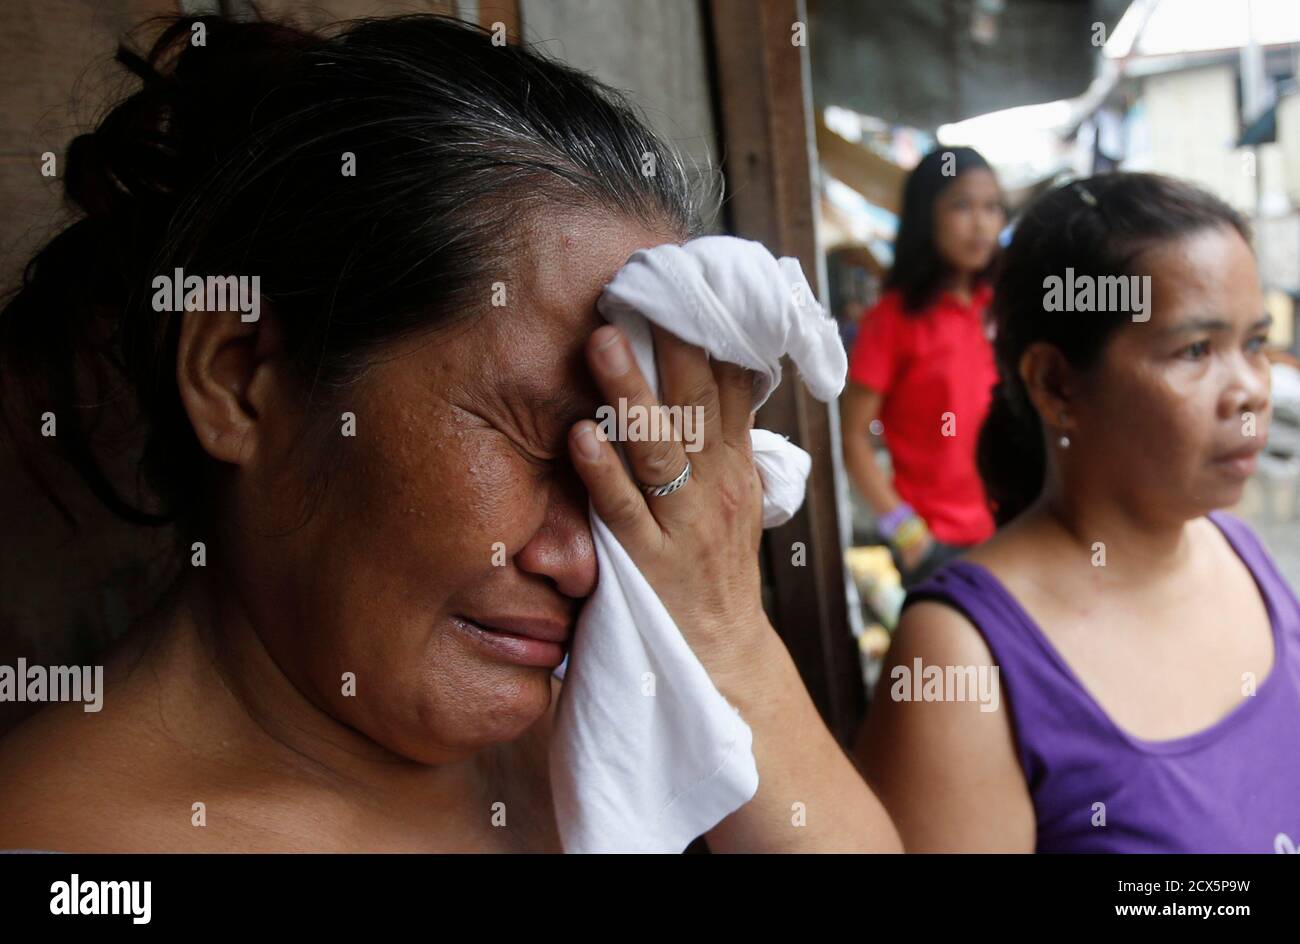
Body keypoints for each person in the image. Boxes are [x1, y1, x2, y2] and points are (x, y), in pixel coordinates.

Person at [0, 13, 901, 852]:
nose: (583, 558)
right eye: (542, 441)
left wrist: (731, 640)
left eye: (625, 465)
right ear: (238, 380)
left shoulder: (605, 739)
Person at [856, 173, 1300, 853]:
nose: (1249, 390)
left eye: (1254, 343)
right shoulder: (964, 661)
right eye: (1195, 350)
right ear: (1056, 384)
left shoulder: (1243, 554)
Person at [840, 146, 1004, 587]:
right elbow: (853, 436)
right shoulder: (891, 321)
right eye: (962, 205)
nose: (981, 223)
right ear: (924, 215)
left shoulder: (1002, 309)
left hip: (1011, 529)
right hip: (935, 544)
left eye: (993, 208)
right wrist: (906, 532)